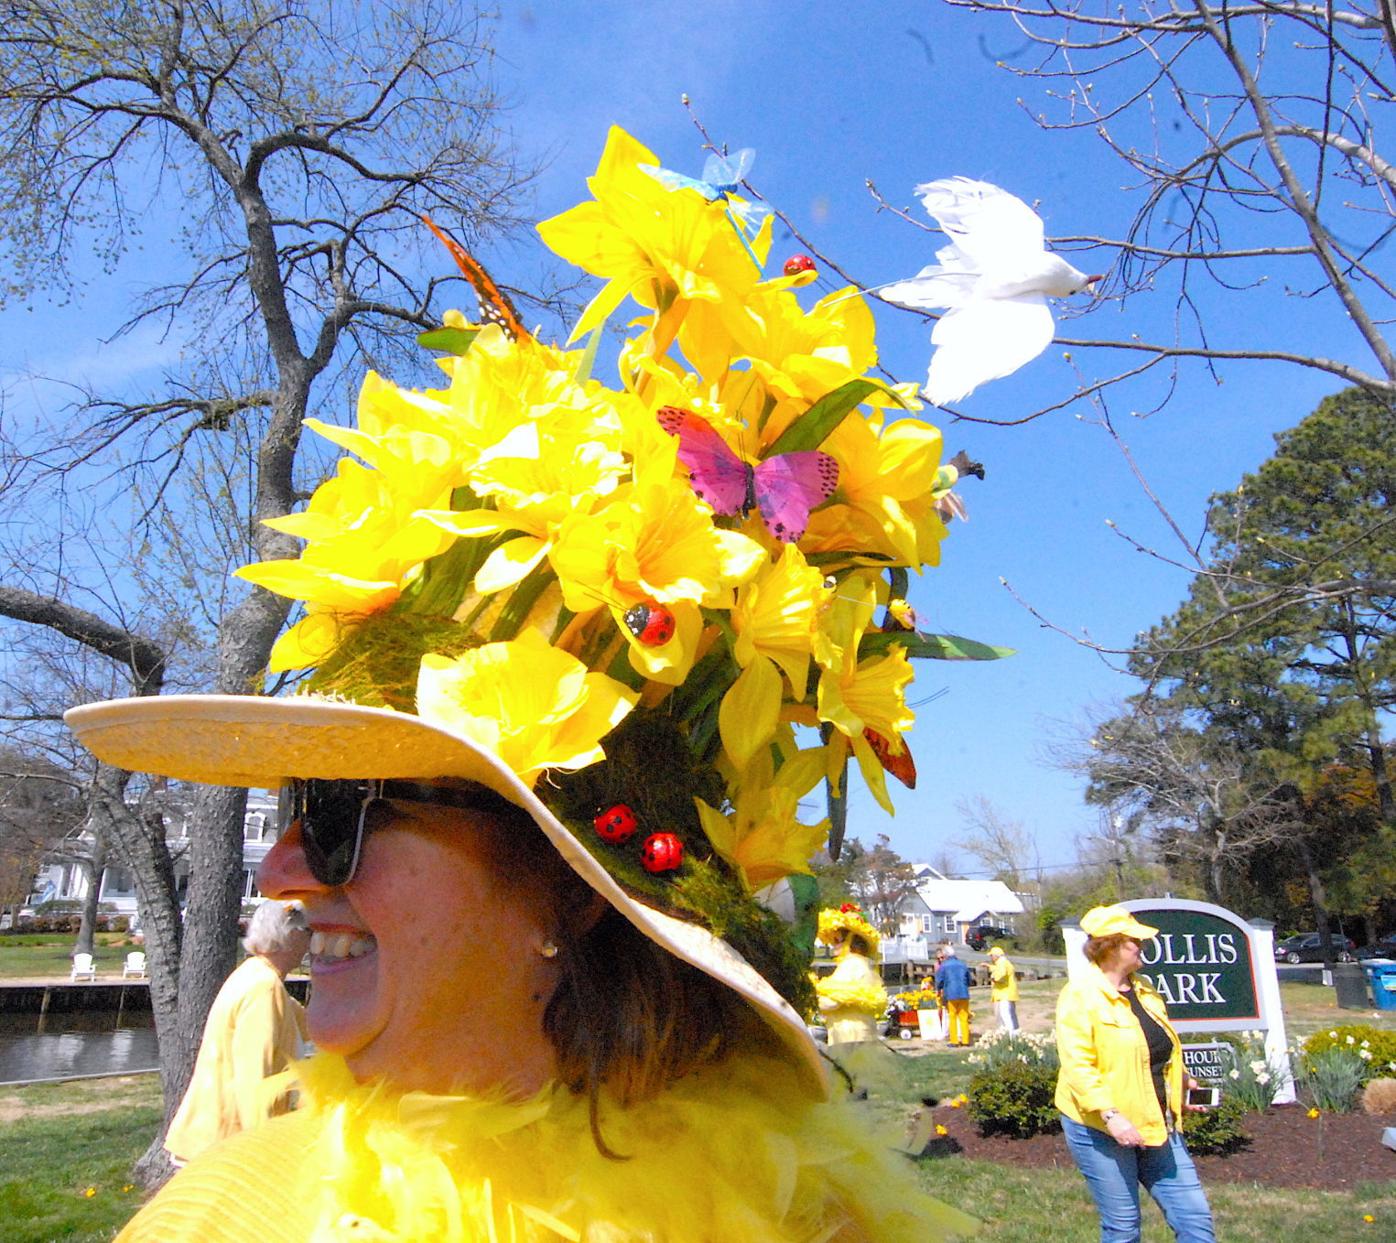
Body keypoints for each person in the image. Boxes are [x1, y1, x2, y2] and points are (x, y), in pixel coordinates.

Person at [67, 125, 981, 1243]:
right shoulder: (221, 1215)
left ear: (567, 888)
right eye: (303, 806)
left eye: (342, 813)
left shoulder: (803, 1221)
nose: (284, 866)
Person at [1055, 904, 1217, 1243]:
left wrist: (1183, 1083)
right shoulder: (1080, 996)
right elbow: (1078, 1065)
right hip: (1100, 1128)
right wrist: (1111, 1115)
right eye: (1134, 942)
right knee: (1123, 1227)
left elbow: (1157, 1050)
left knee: (1195, 1220)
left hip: (1158, 1122)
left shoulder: (1145, 991)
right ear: (1111, 947)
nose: (1142, 947)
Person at [163, 900, 309, 1165]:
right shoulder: (264, 988)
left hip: (211, 1137)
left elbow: (312, 1027)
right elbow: (254, 1078)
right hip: (223, 1144)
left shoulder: (255, 974)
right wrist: (261, 1152)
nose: (312, 942)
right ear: (293, 935)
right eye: (309, 932)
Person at [814, 905, 887, 1045]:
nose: (832, 945)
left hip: (848, 1038)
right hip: (862, 1036)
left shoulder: (850, 965)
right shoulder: (863, 963)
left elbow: (831, 1002)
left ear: (850, 942)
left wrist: (810, 1001)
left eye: (836, 940)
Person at [934, 943, 973, 1047]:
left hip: (951, 994)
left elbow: (939, 980)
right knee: (964, 1017)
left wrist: (938, 989)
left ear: (946, 955)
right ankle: (965, 1040)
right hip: (964, 993)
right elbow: (969, 979)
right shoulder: (962, 964)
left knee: (952, 1017)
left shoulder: (944, 966)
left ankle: (954, 1041)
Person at [987, 945, 1019, 1032]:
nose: (991, 958)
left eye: (991, 956)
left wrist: (994, 979)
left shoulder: (1001, 963)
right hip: (1008, 993)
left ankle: (1010, 1035)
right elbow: (998, 969)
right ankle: (1014, 1033)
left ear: (996, 956)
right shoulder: (1004, 962)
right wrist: (989, 967)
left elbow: (1001, 974)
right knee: (1011, 1015)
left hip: (1004, 994)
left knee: (1005, 1016)